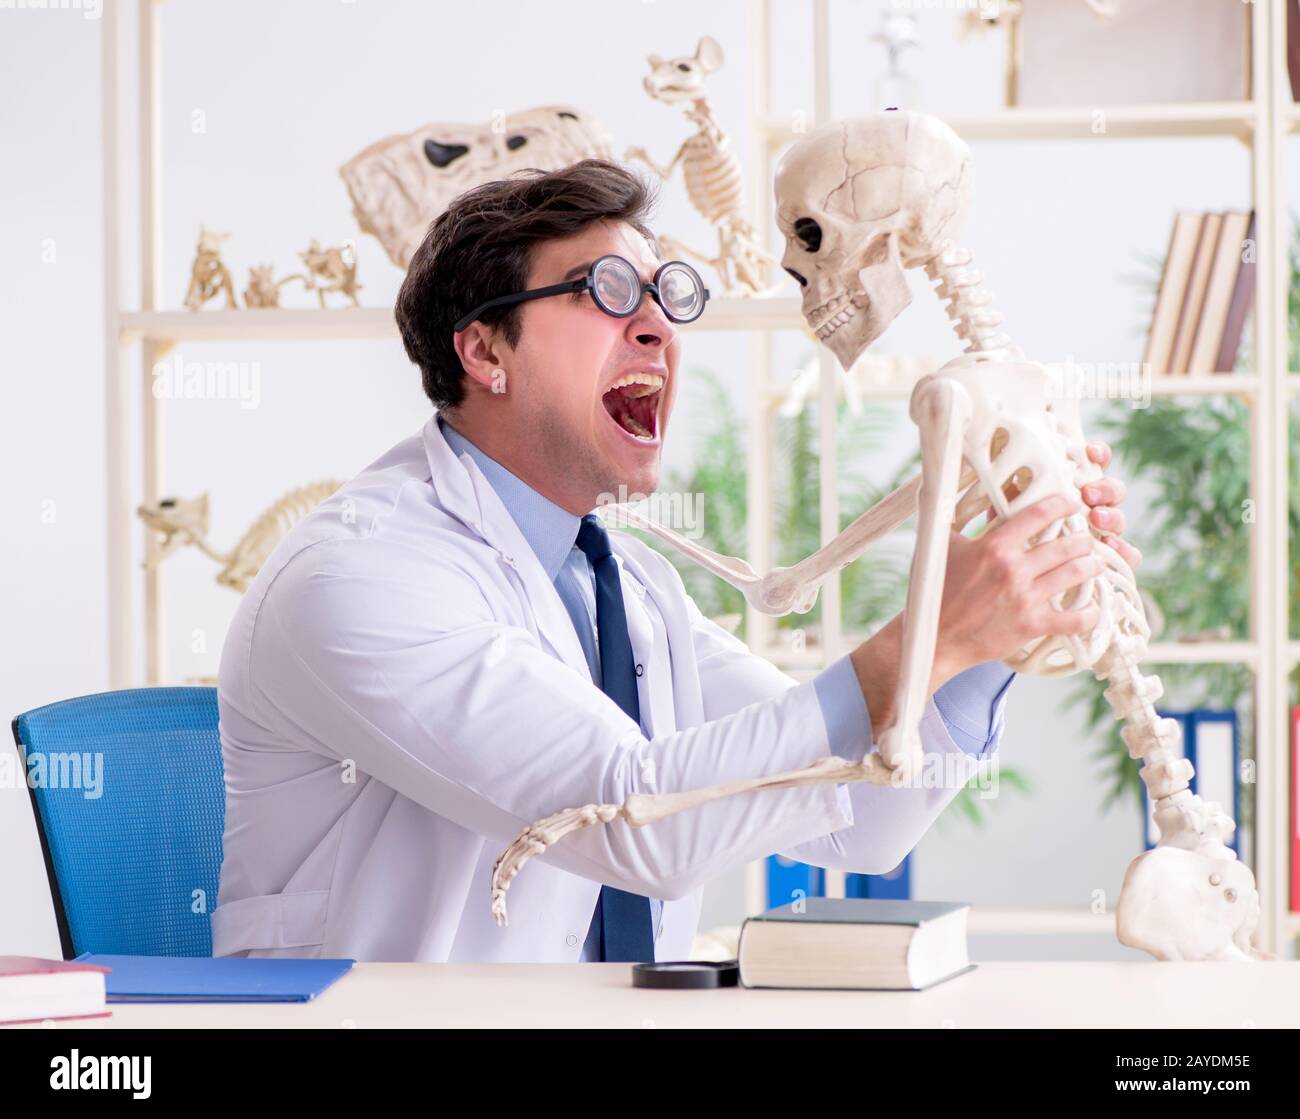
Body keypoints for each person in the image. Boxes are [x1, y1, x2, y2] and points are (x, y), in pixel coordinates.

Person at [210, 159, 1139, 963]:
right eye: (608, 290)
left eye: (667, 295)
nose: (657, 326)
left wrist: (997, 622)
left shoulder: (623, 584)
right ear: (484, 349)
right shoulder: (361, 577)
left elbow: (860, 818)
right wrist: (932, 636)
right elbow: (633, 820)